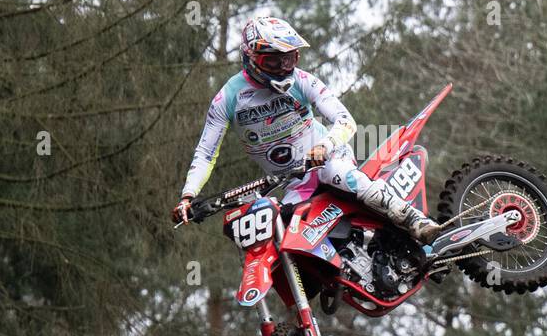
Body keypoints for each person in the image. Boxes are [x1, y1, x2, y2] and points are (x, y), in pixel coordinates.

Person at [171, 16, 440, 243]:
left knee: (342, 175)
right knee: (284, 235)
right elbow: (206, 153)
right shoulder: (228, 98)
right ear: (250, 57)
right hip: (293, 181)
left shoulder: (303, 81)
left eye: (289, 60)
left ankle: (416, 221)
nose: (282, 69)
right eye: (273, 62)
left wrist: (326, 147)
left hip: (328, 159)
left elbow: (346, 121)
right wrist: (188, 196)